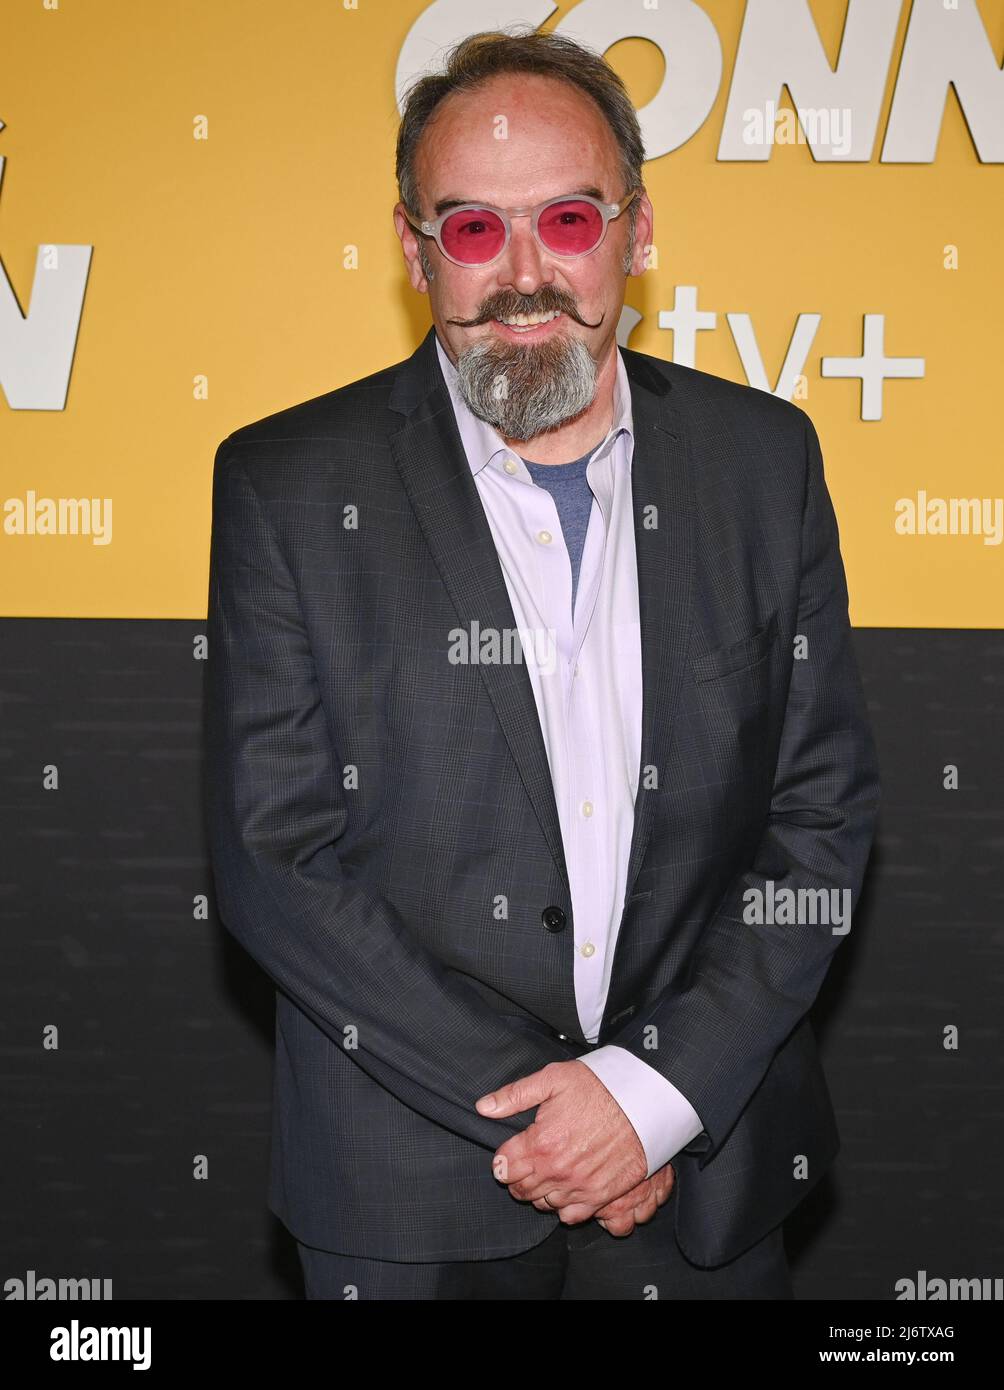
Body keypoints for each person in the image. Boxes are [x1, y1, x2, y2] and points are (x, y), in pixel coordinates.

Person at [204, 27, 881, 1301]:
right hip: (405, 1199)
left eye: (566, 220)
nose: (522, 275)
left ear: (636, 229)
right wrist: (566, 1121)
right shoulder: (288, 484)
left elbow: (820, 824)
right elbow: (275, 860)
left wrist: (650, 1094)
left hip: (707, 1183)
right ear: (412, 251)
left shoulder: (762, 463)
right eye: (471, 230)